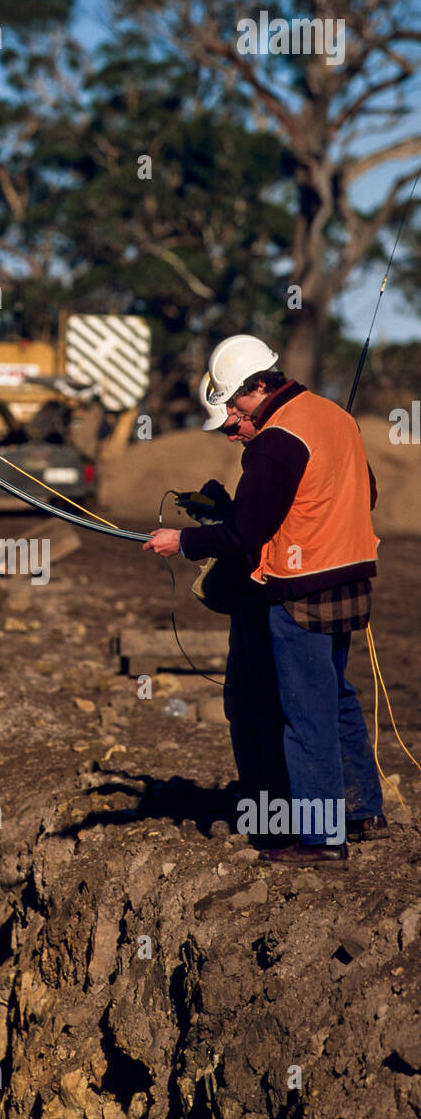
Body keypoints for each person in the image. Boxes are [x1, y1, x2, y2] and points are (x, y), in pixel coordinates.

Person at [144, 334, 383, 866]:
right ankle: (364, 809)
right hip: (350, 577)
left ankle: (323, 839)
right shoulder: (332, 416)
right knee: (337, 695)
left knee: (306, 712)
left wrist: (180, 541)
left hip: (299, 588)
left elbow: (247, 534)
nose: (231, 419)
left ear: (257, 387)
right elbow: (362, 493)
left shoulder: (275, 441)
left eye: (233, 406)